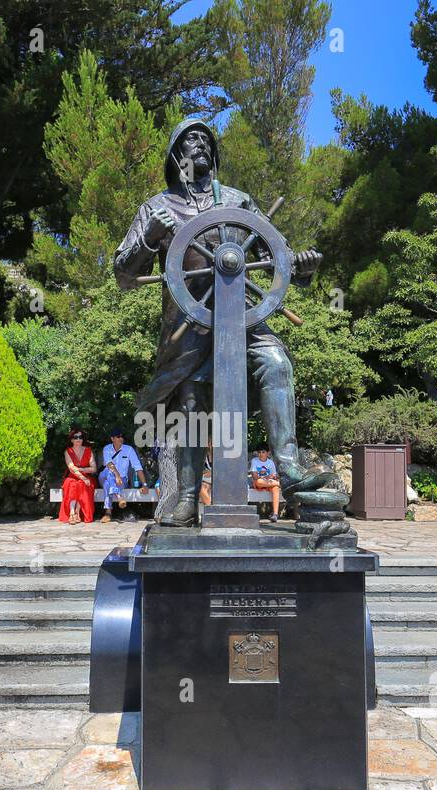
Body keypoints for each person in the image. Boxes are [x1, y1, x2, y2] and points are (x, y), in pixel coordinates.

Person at [113, 118, 332, 527]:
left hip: (240, 318)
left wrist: (304, 265)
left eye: (204, 140)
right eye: (189, 140)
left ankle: (290, 472)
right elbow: (123, 276)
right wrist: (148, 239)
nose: (199, 145)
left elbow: (279, 257)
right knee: (193, 402)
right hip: (189, 327)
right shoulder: (156, 208)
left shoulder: (237, 200)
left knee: (276, 362)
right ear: (175, 155)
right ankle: (189, 497)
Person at [100, 429, 146, 523]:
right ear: (112, 439)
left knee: (107, 484)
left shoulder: (129, 449)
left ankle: (108, 513)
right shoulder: (107, 448)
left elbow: (137, 466)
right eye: (118, 437)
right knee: (109, 473)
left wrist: (144, 484)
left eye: (122, 436)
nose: (121, 438)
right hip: (105, 475)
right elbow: (109, 463)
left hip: (121, 480)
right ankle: (119, 496)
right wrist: (117, 475)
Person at [58, 429, 96, 524]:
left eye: (80, 437)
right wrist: (83, 477)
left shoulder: (88, 451)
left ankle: (77, 512)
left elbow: (94, 468)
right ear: (72, 440)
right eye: (75, 437)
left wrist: (82, 470)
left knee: (82, 484)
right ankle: (72, 513)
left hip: (86, 477)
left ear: (83, 439)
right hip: (73, 476)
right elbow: (71, 468)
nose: (78, 439)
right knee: (71, 484)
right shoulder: (68, 451)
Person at [249, 446, 282, 522]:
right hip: (259, 483)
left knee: (276, 488)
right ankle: (280, 484)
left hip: (269, 483)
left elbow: (274, 476)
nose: (261, 454)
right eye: (259, 452)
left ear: (268, 453)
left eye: (263, 452)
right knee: (259, 482)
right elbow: (255, 477)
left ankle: (275, 514)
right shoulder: (255, 461)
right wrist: (267, 476)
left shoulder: (270, 462)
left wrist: (272, 477)